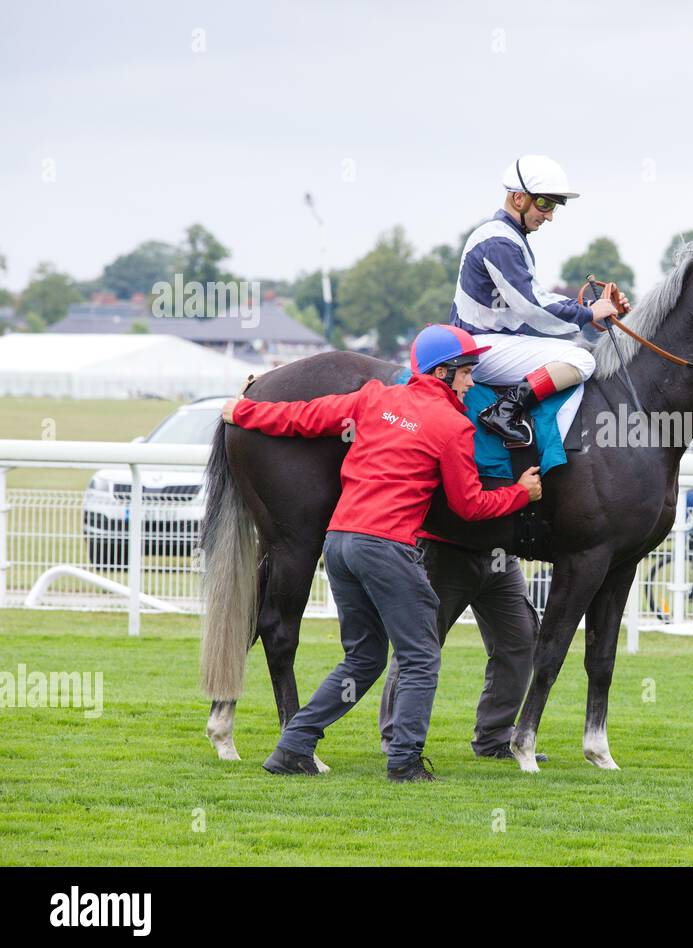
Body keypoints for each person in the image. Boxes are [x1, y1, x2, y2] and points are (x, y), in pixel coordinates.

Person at [221, 325, 541, 782]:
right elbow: (470, 506)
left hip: (339, 546)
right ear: (444, 372)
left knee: (365, 659)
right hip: (387, 549)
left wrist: (244, 412)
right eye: (467, 372)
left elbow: (302, 417)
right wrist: (520, 495)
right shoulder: (453, 427)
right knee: (420, 656)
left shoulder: (373, 399)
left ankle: (293, 745)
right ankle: (405, 762)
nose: (472, 382)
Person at [452, 154, 629, 447]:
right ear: (518, 197)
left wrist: (593, 311)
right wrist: (587, 313)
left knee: (573, 352)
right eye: (544, 204)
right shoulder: (499, 241)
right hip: (480, 346)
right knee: (581, 359)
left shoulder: (508, 236)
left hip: (490, 341)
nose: (548, 215)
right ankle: (504, 411)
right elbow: (533, 307)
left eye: (553, 207)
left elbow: (535, 300)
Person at [377, 543, 546, 762]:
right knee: (418, 646)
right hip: (446, 551)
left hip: (500, 553)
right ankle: (397, 737)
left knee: (521, 640)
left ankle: (494, 737)